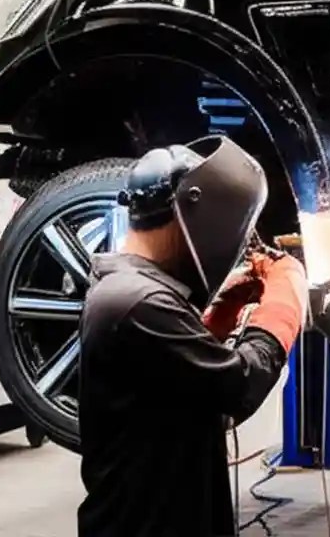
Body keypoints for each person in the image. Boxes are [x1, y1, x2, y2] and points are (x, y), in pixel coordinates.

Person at [76, 136, 305, 537]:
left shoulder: (132, 290)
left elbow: (180, 379)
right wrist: (286, 300)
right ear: (196, 215)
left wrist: (222, 314)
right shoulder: (136, 302)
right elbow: (239, 386)